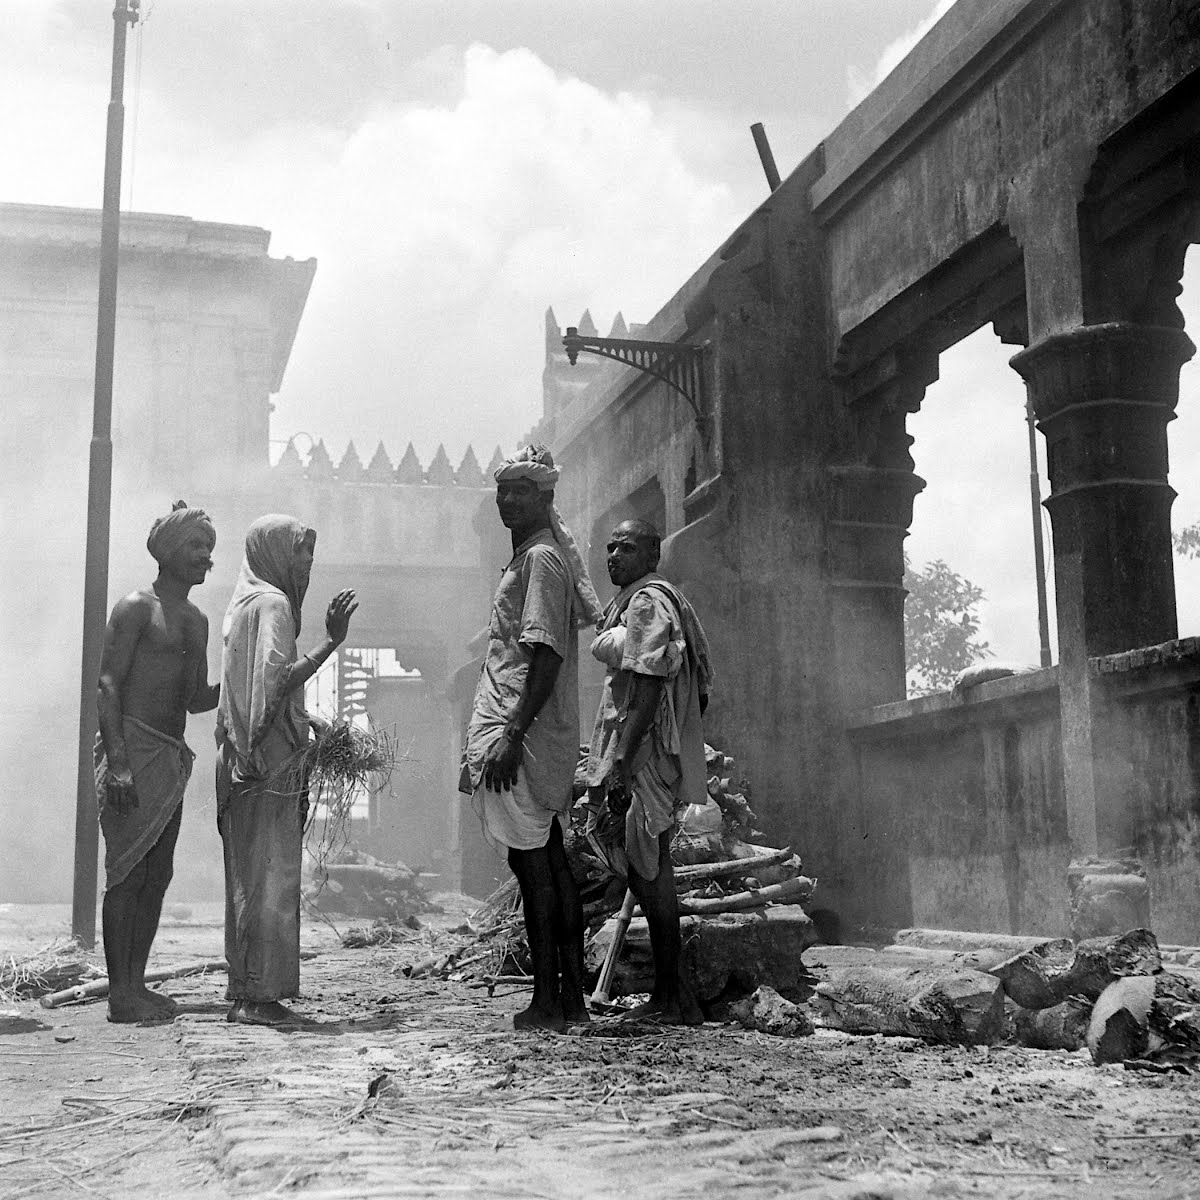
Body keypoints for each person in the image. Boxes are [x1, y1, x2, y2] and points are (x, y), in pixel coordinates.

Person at [461, 445, 603, 1031]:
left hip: (523, 734)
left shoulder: (542, 560)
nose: (508, 500)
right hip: (522, 729)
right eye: (503, 490)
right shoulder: (533, 558)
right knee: (544, 863)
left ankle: (553, 1001)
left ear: (545, 499)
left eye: (521, 491)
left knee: (536, 867)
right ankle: (567, 1001)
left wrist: (511, 733)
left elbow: (545, 652)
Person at [216, 514, 357, 1027]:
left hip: (239, 766)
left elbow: (245, 695)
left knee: (248, 880)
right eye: (301, 553)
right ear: (274, 554)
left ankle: (245, 990)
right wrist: (331, 640)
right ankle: (259, 998)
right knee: (271, 880)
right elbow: (274, 685)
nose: (308, 564)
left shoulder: (241, 606)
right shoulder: (273, 605)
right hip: (268, 769)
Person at [585, 519, 713, 1025]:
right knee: (648, 869)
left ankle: (674, 998)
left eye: (628, 547)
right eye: (611, 547)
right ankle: (671, 995)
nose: (615, 555)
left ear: (653, 553)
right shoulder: (647, 599)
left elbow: (650, 684)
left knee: (652, 872)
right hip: (649, 749)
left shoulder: (647, 602)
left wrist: (620, 758)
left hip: (645, 753)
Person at [95, 501, 219, 1023]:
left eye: (209, 550)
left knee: (157, 872)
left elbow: (195, 699)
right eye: (196, 547)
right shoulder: (134, 607)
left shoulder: (197, 620)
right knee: (126, 872)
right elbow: (106, 685)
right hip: (131, 754)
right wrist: (119, 763)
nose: (205, 559)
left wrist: (249, 675)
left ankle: (137, 984)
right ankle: (119, 995)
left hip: (169, 758)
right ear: (168, 552)